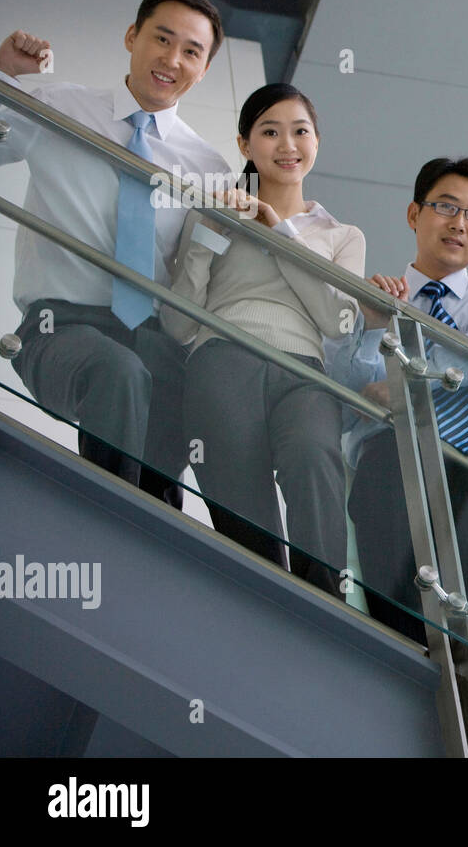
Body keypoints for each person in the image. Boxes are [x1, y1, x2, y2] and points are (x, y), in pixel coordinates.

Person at [0, 0, 229, 507]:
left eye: (191, 51)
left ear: (204, 68)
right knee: (119, 373)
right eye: (161, 39)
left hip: (152, 337)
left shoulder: (208, 168)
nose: (172, 59)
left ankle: (163, 534)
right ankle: (112, 524)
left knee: (193, 396)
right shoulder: (61, 106)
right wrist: (4, 77)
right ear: (132, 37)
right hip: (60, 327)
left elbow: (202, 271)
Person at [328, 156, 468, 710]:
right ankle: (402, 718)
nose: (460, 223)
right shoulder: (375, 298)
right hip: (389, 461)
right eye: (446, 207)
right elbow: (347, 387)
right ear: (414, 214)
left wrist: (411, 379)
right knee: (397, 610)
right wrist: (373, 327)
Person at [161, 83, 363, 596]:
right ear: (245, 145)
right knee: (239, 493)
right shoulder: (212, 211)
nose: (287, 144)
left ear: (317, 141)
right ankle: (267, 598)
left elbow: (335, 322)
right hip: (222, 357)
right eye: (269, 132)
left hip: (305, 372)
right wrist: (210, 227)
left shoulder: (342, 235)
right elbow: (178, 323)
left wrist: (279, 234)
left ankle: (325, 599)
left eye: (300, 131)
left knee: (316, 459)